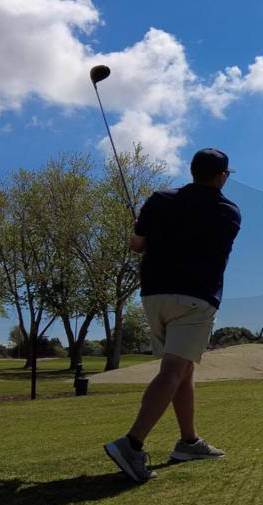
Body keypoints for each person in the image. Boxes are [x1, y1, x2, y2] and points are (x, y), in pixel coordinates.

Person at [104, 147, 241, 483]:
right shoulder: (229, 212)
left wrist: (145, 223)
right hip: (194, 299)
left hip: (154, 297)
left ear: (192, 170)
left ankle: (188, 442)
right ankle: (132, 444)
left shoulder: (159, 200)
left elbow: (137, 245)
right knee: (173, 372)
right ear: (221, 177)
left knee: (182, 371)